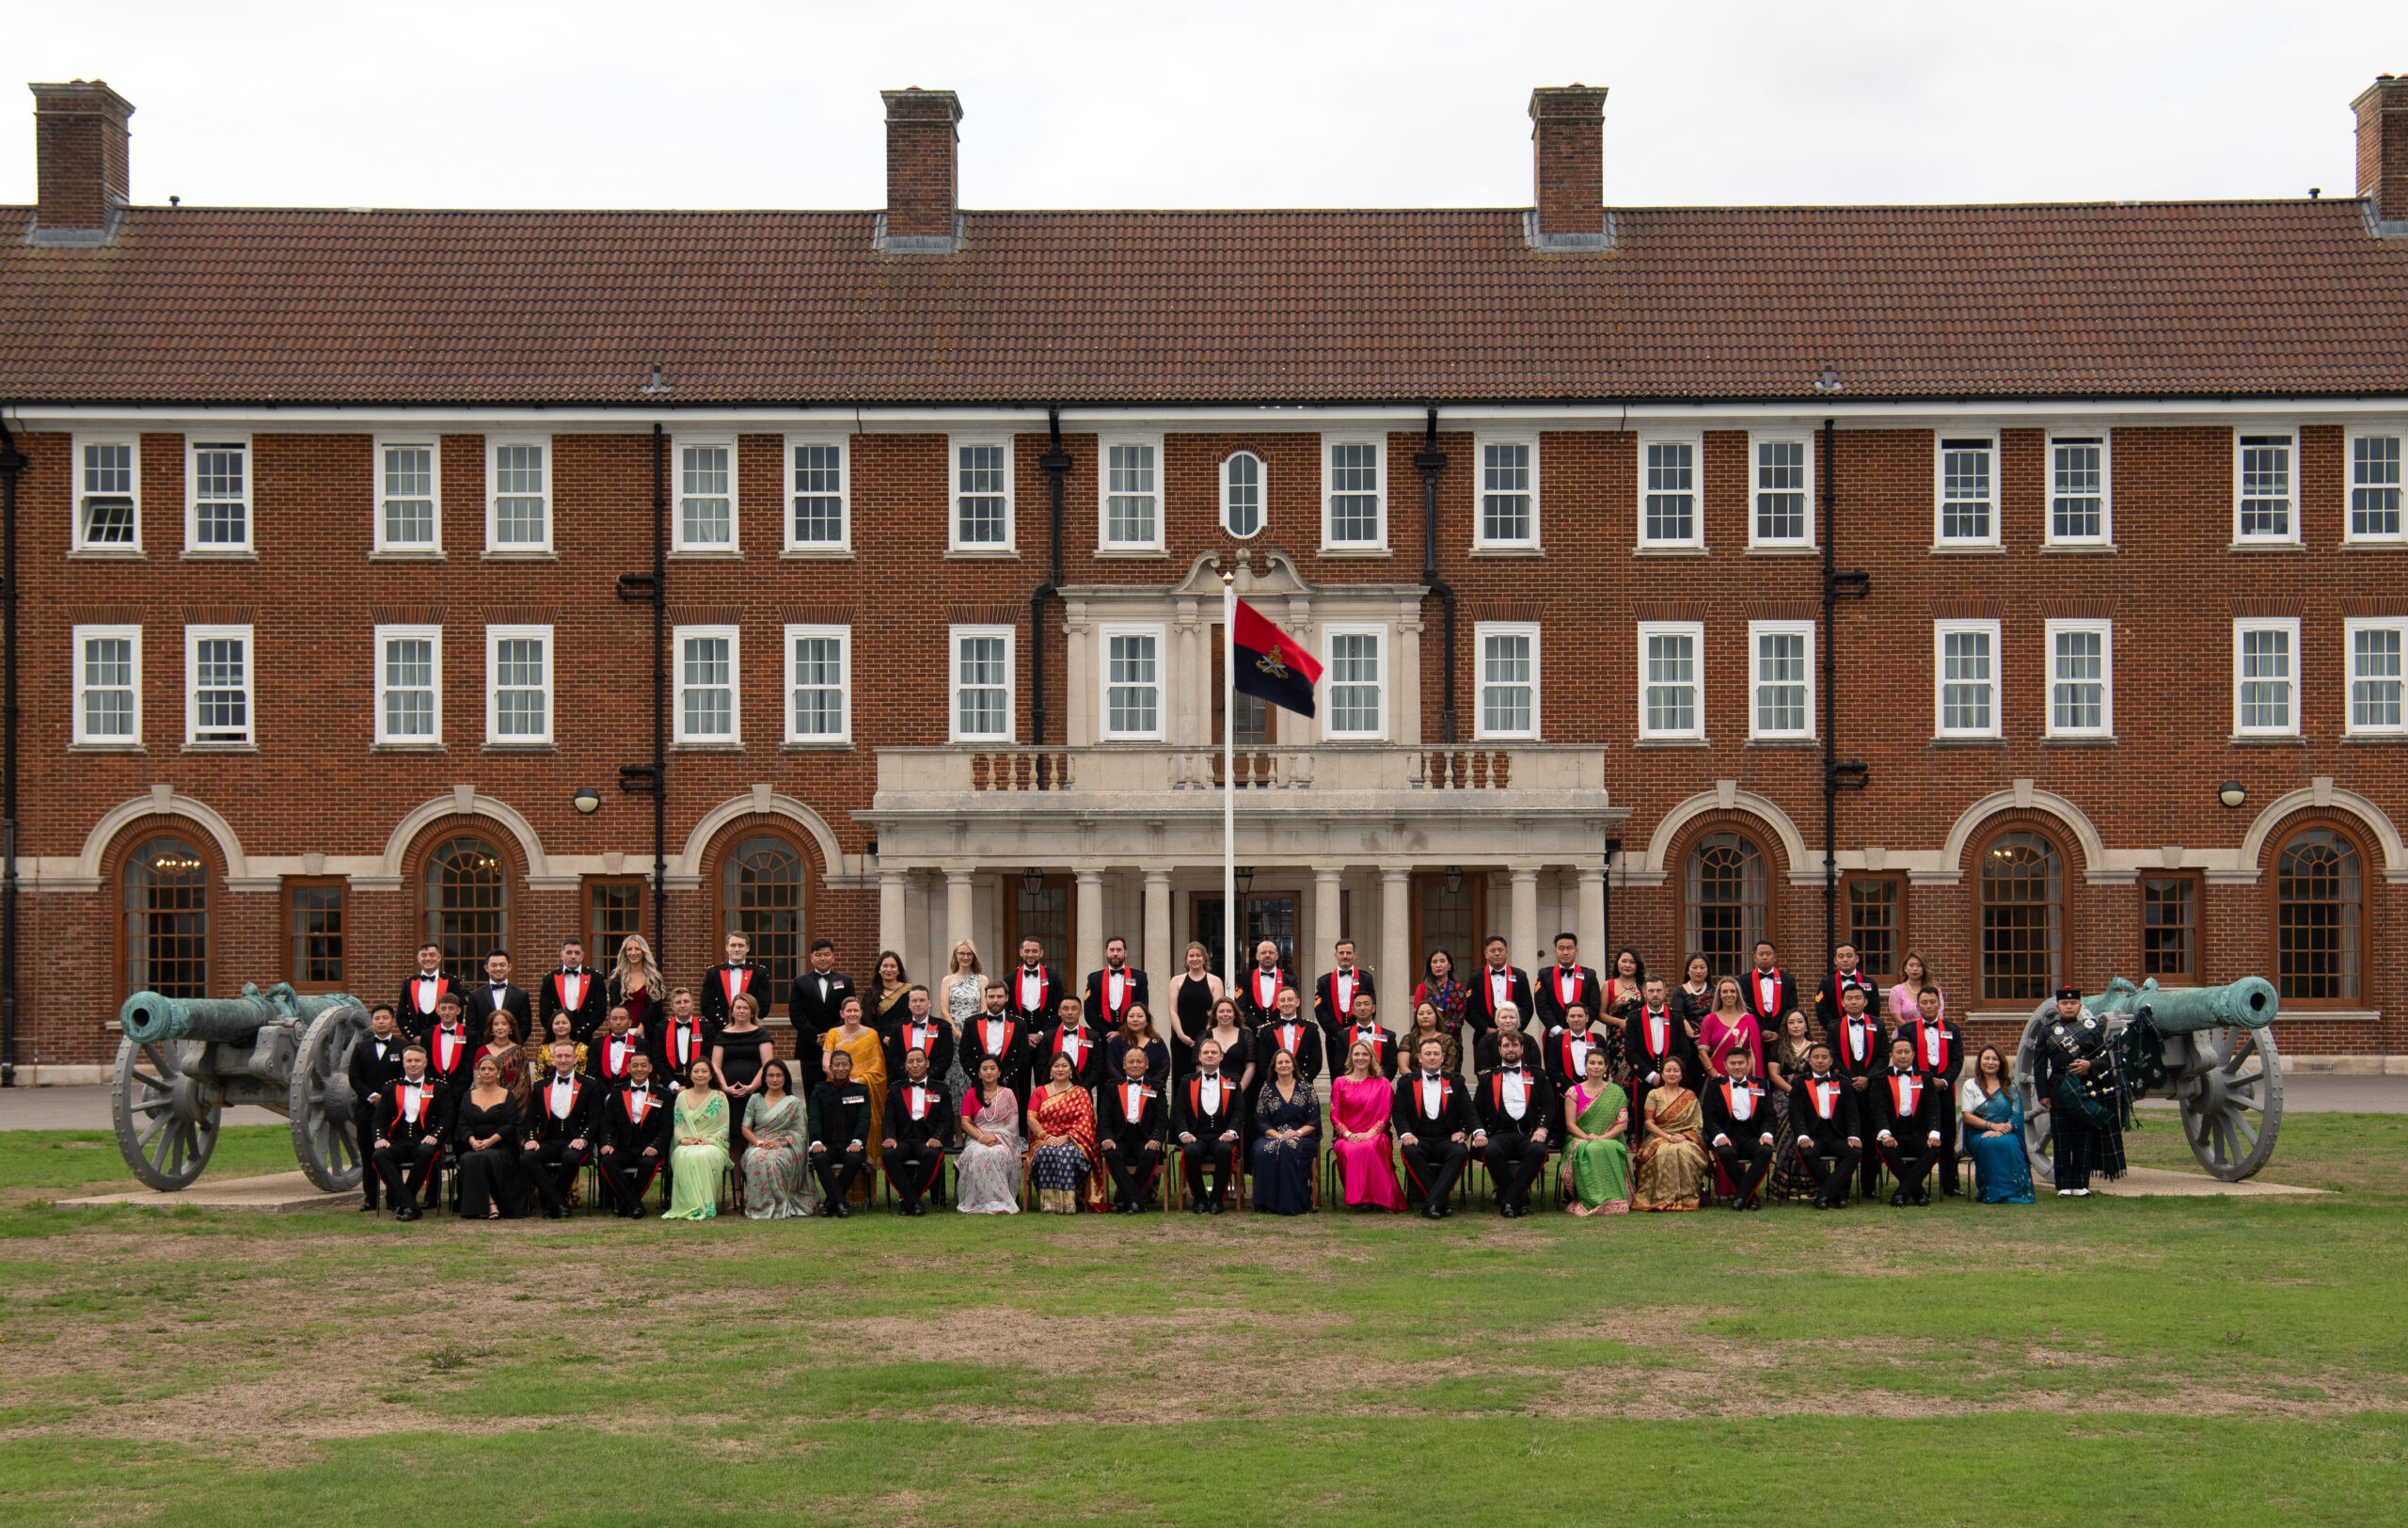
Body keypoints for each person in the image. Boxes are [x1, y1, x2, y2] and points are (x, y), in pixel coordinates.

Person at [2034, 985, 2127, 1198]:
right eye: (2065, 1003)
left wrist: (2089, 1065)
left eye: (2073, 1003)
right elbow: (2039, 1066)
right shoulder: (2047, 1031)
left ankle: (2081, 1184)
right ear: (2058, 1006)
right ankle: (2064, 1185)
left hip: (2085, 1088)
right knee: (2062, 1138)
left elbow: (2105, 1061)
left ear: (2080, 1006)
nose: (2069, 1006)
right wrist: (2043, 1094)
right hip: (2059, 1087)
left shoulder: (2091, 1028)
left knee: (2084, 1137)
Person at [1473, 1026, 1555, 1218]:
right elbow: (1475, 1110)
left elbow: (1549, 1105)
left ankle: (1509, 1200)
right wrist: (1479, 1132)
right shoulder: (1487, 1078)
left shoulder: (1538, 1075)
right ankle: (1519, 1199)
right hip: (1499, 1133)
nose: (1511, 1049)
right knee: (1490, 1151)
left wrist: (1542, 1129)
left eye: (1515, 1045)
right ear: (1499, 1050)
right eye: (1506, 1045)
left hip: (1529, 1134)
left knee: (1539, 1150)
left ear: (1522, 1049)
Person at [1393, 1036, 1473, 1218]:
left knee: (1460, 1151)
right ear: (1420, 1058)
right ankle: (1441, 1202)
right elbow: (1399, 1113)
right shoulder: (1406, 1083)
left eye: (1436, 1054)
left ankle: (1432, 1203)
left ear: (1442, 1057)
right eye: (1428, 1054)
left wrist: (1464, 1131)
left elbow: (1468, 1110)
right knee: (1410, 1151)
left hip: (1447, 1138)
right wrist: (1406, 1134)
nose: (1432, 1057)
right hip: (1419, 1138)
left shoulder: (1456, 1082)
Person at [1899, 984, 1967, 1195]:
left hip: (1944, 1090)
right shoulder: (1907, 1030)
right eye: (1924, 1002)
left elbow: (1957, 1060)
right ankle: (1914, 1183)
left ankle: (1950, 1184)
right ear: (1918, 1006)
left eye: (1932, 1002)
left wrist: (1944, 1081)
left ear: (1939, 1005)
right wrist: (1927, 1081)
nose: (1928, 1006)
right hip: (1917, 1090)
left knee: (1947, 1136)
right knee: (1918, 1134)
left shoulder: (1953, 1029)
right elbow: (1905, 1060)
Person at [369, 1043, 447, 1219]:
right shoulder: (391, 1088)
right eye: (409, 1060)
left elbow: (446, 1118)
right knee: (379, 1155)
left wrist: (435, 1136)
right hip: (400, 1142)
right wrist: (380, 1138)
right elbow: (379, 1119)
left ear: (425, 1063)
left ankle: (402, 1203)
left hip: (425, 1141)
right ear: (403, 1063)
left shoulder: (440, 1087)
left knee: (426, 1152)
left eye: (417, 1061)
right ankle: (410, 1205)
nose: (413, 1064)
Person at [520, 1040, 595, 1219]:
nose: (563, 1060)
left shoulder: (589, 1085)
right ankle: (559, 1203)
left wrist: (584, 1138)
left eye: (567, 1056)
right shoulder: (541, 1086)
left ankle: (551, 1203)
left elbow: (596, 1119)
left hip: (576, 1141)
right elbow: (530, 1118)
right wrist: (531, 1139)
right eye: (559, 1056)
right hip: (549, 1141)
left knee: (571, 1158)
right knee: (527, 1158)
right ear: (553, 1058)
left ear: (575, 1058)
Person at [1828, 980, 1890, 1201]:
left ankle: (1869, 1186)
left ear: (1865, 1002)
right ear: (1843, 1003)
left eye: (1857, 998)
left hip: (1871, 1090)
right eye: (1849, 998)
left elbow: (1883, 1056)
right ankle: (1842, 1186)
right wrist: (1850, 1079)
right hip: (1845, 1090)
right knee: (1844, 1137)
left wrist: (1868, 1078)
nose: (1853, 1002)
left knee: (1870, 1138)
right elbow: (1832, 1056)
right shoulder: (1834, 1027)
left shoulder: (1878, 1025)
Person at [348, 1004, 410, 1213]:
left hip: (394, 1111)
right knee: (368, 1156)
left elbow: (407, 1076)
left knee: (392, 1156)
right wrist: (371, 1096)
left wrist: (388, 1098)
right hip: (367, 1109)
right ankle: (370, 1198)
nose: (381, 1021)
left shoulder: (404, 1047)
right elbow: (354, 1078)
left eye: (385, 1018)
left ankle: (394, 1198)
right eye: (377, 1018)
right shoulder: (361, 1048)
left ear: (393, 1021)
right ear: (371, 1022)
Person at [1028, 1052, 1107, 1214]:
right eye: (1056, 1066)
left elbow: (1086, 1123)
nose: (1060, 1069)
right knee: (1044, 1152)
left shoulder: (1081, 1093)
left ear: (1071, 1069)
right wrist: (1047, 1137)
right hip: (1043, 1139)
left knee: (1066, 1153)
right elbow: (1031, 1119)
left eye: (1064, 1066)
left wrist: (1066, 1138)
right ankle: (1049, 1204)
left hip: (1073, 1141)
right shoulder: (1040, 1091)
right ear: (1050, 1070)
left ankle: (1068, 1203)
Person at [1330, 1039, 1403, 1212]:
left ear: (1371, 1058)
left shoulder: (1383, 1083)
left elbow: (1386, 1114)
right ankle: (1360, 1200)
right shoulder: (1339, 1083)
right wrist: (1348, 1135)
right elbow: (1334, 1115)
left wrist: (1369, 1134)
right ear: (1350, 1057)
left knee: (1370, 1146)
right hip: (1347, 1136)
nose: (1360, 1058)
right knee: (1350, 1149)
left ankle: (1380, 1199)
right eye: (1356, 1054)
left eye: (1365, 1054)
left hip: (1375, 1134)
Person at [1788, 1043, 1863, 1210]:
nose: (1820, 1061)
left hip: (1837, 1135)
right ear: (1810, 1061)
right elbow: (1796, 1114)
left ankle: (1824, 1195)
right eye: (1816, 1057)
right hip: (1813, 1136)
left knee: (1854, 1151)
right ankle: (1838, 1195)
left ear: (1831, 1061)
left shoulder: (1843, 1083)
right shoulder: (1800, 1083)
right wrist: (1803, 1136)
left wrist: (1853, 1136)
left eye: (1824, 1057)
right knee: (1806, 1152)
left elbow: (1852, 1112)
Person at [881, 1048, 955, 1217]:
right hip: (904, 1140)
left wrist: (937, 1138)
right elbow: (888, 1119)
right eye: (911, 1062)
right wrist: (890, 1137)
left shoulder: (941, 1089)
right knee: (888, 1155)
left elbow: (946, 1120)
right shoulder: (895, 1090)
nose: (915, 1065)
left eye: (919, 1061)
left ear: (927, 1063)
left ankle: (907, 1201)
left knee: (932, 1154)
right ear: (906, 1066)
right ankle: (914, 1202)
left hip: (927, 1139)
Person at [596, 1051, 671, 1217]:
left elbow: (666, 1127)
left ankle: (626, 1205)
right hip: (623, 1147)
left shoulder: (663, 1095)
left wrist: (656, 1146)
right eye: (635, 1065)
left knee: (649, 1164)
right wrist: (608, 1143)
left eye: (643, 1065)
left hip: (649, 1147)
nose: (639, 1069)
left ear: (650, 1068)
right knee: (607, 1160)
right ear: (628, 1068)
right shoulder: (617, 1093)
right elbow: (607, 1123)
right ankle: (634, 1204)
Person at [1874, 1035, 1946, 1206]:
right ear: (1891, 1055)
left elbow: (1933, 1108)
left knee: (1934, 1149)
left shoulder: (1925, 1077)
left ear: (1913, 1054)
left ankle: (1901, 1194)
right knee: (1887, 1149)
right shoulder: (1880, 1078)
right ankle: (1918, 1193)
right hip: (1893, 1133)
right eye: (1899, 1052)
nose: (1903, 1056)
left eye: (1907, 1052)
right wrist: (1885, 1134)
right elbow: (1877, 1109)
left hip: (1917, 1133)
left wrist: (1934, 1134)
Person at [1175, 1038, 1244, 1213]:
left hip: (1222, 1135)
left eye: (1214, 1052)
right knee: (1189, 1152)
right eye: (1206, 1052)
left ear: (1221, 1056)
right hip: (1196, 1135)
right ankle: (1199, 1198)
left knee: (1225, 1151)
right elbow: (1178, 1111)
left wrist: (1232, 1131)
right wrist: (1184, 1133)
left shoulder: (1233, 1080)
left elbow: (1239, 1110)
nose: (1210, 1055)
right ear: (1199, 1056)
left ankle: (1216, 1199)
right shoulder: (1187, 1081)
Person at [1631, 1054, 1708, 1212]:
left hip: (1686, 1137)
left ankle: (1686, 1198)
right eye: (1668, 1070)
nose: (1672, 1074)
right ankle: (1659, 1198)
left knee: (1685, 1151)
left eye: (1676, 1071)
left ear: (1682, 1074)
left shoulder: (1690, 1096)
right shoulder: (1654, 1094)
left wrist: (1683, 1136)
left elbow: (1696, 1124)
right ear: (1662, 1073)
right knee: (1663, 1151)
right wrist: (1667, 1136)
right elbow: (1649, 1122)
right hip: (1659, 1136)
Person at [452, 1055, 525, 1219]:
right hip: (473, 1146)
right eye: (483, 1069)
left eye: (491, 1069)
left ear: (498, 1073)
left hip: (500, 1146)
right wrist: (472, 1140)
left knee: (481, 1157)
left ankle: (488, 1203)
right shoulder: (468, 1096)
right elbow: (462, 1124)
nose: (486, 1072)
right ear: (478, 1072)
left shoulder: (507, 1095)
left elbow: (510, 1125)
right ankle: (490, 1203)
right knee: (469, 1158)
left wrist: (490, 1141)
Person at [714, 990, 776, 1182]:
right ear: (732, 1011)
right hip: (730, 1096)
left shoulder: (761, 1034)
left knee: (752, 1139)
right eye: (738, 1007)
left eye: (745, 1008)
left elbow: (767, 1064)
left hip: (754, 1095)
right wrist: (725, 1088)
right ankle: (736, 1191)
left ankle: (754, 1188)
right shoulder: (722, 1035)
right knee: (734, 1142)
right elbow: (715, 1065)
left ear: (752, 1011)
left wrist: (751, 1087)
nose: (741, 1011)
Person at [1560, 1049, 1630, 1217]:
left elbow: (1622, 1125)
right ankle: (1593, 1199)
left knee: (1610, 1147)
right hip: (1579, 1139)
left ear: (1606, 1067)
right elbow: (1570, 1125)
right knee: (1592, 1149)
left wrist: (1601, 1137)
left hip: (1608, 1138)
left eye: (1600, 1063)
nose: (1596, 1067)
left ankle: (1615, 1200)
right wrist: (1587, 1138)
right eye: (1592, 1063)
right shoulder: (1573, 1092)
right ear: (1585, 1066)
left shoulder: (1616, 1092)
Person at [1703, 1048, 1777, 1211]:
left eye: (1741, 1063)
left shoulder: (1760, 1084)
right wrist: (1718, 1135)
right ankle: (1751, 1197)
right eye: (1733, 1063)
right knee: (1725, 1153)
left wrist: (1767, 1133)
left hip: (1752, 1136)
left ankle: (1742, 1197)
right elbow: (1708, 1117)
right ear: (1725, 1065)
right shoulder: (1715, 1086)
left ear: (1748, 1064)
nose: (1737, 1067)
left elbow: (1770, 1115)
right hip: (1727, 1136)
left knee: (1765, 1151)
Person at [1960, 1044, 2035, 1204]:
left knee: (2008, 1142)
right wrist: (1992, 1126)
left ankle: (2014, 1192)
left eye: (1995, 1059)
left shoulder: (2009, 1087)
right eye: (1986, 1058)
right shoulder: (1970, 1085)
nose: (1990, 1062)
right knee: (1990, 1143)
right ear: (1980, 1061)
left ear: (2000, 1063)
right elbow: (1967, 1116)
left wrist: (2003, 1130)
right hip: (1978, 1133)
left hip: (2006, 1132)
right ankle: (1993, 1192)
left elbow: (2016, 1114)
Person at [1250, 1046, 1321, 1216]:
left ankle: (1293, 1203)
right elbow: (1261, 1120)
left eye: (1287, 1062)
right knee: (1262, 1150)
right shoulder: (1267, 1090)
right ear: (1274, 1067)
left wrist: (1298, 1133)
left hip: (1302, 1137)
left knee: (1287, 1146)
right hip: (1272, 1136)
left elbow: (1314, 1119)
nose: (1283, 1065)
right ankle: (1267, 1203)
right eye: (1280, 1062)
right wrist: (1279, 1136)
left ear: (1293, 1065)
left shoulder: (1306, 1088)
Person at [1097, 1043, 1166, 1213]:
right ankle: (1136, 1201)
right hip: (1120, 1138)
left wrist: (1156, 1139)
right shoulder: (1112, 1087)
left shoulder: (1156, 1087)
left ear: (1147, 1065)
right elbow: (1104, 1118)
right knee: (1111, 1154)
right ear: (1124, 1065)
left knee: (1150, 1155)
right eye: (1131, 1062)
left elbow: (1162, 1119)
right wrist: (1107, 1139)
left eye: (1139, 1061)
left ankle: (1123, 1200)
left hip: (1144, 1138)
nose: (1135, 1065)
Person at [741, 1059, 813, 1219]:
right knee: (758, 1158)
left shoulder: (793, 1103)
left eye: (779, 1075)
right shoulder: (755, 1099)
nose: (775, 1079)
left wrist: (781, 1143)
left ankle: (780, 1204)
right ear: (764, 1078)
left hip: (785, 1146)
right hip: (758, 1144)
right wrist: (759, 1143)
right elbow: (745, 1128)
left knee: (774, 1159)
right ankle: (759, 1206)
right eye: (771, 1075)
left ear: (785, 1078)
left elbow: (800, 1132)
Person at [805, 1048, 872, 1217]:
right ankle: (840, 1204)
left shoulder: (861, 1091)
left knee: (855, 1158)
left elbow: (864, 1119)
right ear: (830, 1068)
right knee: (819, 1158)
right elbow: (814, 1118)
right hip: (826, 1145)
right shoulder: (819, 1090)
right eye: (837, 1065)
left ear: (851, 1067)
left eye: (844, 1065)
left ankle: (830, 1204)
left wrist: (857, 1141)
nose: (841, 1068)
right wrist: (816, 1142)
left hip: (850, 1144)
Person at [955, 1056, 1023, 1215]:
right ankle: (980, 1201)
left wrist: (995, 1137)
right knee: (979, 1153)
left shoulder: (1008, 1094)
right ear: (979, 1073)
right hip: (976, 1138)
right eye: (984, 1069)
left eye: (992, 1068)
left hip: (1002, 1139)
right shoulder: (971, 1094)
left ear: (999, 1072)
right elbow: (965, 1122)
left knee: (999, 1152)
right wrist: (981, 1138)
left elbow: (1013, 1123)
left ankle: (998, 1201)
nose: (989, 1072)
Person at [664, 1058, 732, 1219]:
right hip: (687, 1143)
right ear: (690, 1075)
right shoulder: (682, 1097)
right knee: (682, 1155)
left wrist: (710, 1141)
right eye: (696, 1071)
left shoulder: (720, 1097)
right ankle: (689, 1205)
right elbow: (678, 1124)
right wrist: (684, 1141)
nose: (700, 1075)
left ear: (711, 1075)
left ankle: (706, 1205)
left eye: (704, 1071)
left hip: (713, 1144)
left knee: (703, 1154)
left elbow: (724, 1127)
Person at [788, 939, 855, 1091]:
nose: (823, 958)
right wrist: (816, 1036)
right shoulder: (800, 982)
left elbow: (850, 1011)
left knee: (840, 1091)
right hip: (809, 1046)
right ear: (811, 958)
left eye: (826, 954)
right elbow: (796, 1014)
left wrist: (831, 1034)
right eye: (818, 955)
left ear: (833, 957)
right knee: (812, 1092)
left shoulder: (845, 981)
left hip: (839, 1044)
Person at [1765, 1009, 1817, 1201]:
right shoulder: (1778, 1048)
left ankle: (1809, 1186)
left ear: (1806, 1025)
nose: (1796, 1026)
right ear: (1786, 1027)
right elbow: (1774, 1075)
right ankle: (1782, 1187)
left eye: (1799, 1022)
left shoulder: (1816, 1048)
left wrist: (1805, 1095)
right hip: (1784, 1097)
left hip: (1811, 1097)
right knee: (1788, 1137)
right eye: (1791, 1022)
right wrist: (1793, 1092)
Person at [958, 979, 1031, 1112]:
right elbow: (964, 1055)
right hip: (980, 1083)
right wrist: (980, 1075)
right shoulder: (971, 1023)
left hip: (1009, 1082)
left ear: (1007, 998)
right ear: (985, 998)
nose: (995, 1000)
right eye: (991, 997)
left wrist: (1005, 1077)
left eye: (999, 996)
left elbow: (1023, 1057)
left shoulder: (1019, 1024)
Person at [883, 984, 959, 1090]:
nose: (918, 1004)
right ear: (909, 1005)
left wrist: (927, 1077)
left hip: (933, 1085)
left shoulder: (943, 1027)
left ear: (929, 1003)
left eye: (922, 1000)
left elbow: (945, 1057)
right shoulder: (897, 1028)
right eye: (914, 1001)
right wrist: (908, 1077)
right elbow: (893, 1057)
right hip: (904, 1085)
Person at [1165, 941, 1222, 1078]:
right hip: (1181, 1039)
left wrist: (1205, 1036)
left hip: (1207, 1038)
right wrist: (1181, 1035)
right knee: (1181, 1078)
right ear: (1186, 959)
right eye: (1191, 956)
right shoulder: (1176, 981)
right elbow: (1173, 1011)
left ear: (1204, 959)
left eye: (1198, 955)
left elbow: (1217, 1012)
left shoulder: (1215, 981)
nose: (1195, 959)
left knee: (1204, 1078)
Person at [539, 937, 608, 1044]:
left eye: (577, 953)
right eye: (569, 952)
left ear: (582, 956)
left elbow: (599, 1012)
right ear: (561, 955)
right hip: (557, 1039)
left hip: (585, 1039)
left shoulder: (595, 978)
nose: (573, 956)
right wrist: (560, 1033)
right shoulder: (550, 979)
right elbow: (544, 1012)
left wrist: (579, 1033)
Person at [1699, 976, 1765, 1088]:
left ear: (1737, 994)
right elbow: (1702, 1053)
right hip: (1717, 1079)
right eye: (1725, 991)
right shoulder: (1710, 1019)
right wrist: (1716, 1076)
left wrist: (1741, 1077)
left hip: (1744, 1080)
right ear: (1719, 995)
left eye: (1732, 991)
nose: (1729, 994)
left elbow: (1753, 1054)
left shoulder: (1749, 1020)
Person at [701, 931, 773, 1034]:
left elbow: (764, 1005)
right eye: (733, 945)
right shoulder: (713, 973)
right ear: (727, 947)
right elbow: (706, 1004)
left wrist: (746, 1023)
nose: (737, 949)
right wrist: (725, 1024)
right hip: (721, 1030)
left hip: (749, 1031)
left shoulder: (759, 973)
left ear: (747, 948)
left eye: (741, 945)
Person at [1466, 935, 1532, 1043]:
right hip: (1484, 1037)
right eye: (1492, 951)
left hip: (1514, 1036)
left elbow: (1527, 1007)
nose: (1497, 953)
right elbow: (1470, 1009)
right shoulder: (1475, 977)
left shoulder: (1520, 975)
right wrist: (1486, 1029)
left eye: (1500, 950)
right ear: (1486, 954)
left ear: (1506, 952)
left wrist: (1514, 1029)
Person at [1532, 933, 1605, 1033]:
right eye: (1561, 948)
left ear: (1576, 951)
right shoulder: (1544, 975)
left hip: (1581, 1034)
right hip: (1553, 1035)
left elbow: (1594, 1006)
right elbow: (1541, 1006)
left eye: (1569, 948)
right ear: (1555, 951)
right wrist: (1557, 1030)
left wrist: (1578, 1028)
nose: (1565, 952)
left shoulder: (1589, 975)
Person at [1537, 1000, 1612, 1094]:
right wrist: (1571, 1091)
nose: (1576, 1019)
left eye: (1580, 1016)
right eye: (1572, 1016)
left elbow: (1605, 1065)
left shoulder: (1598, 1040)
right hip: (1566, 1092)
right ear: (1567, 1019)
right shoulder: (1557, 1042)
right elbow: (1553, 1070)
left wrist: (1595, 1088)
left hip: (1595, 1092)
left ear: (1587, 1018)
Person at [1813, 940, 1880, 1042]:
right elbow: (1822, 1011)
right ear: (1835, 960)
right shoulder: (1826, 983)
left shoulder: (1869, 983)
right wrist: (1835, 1029)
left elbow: (1874, 1010)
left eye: (1849, 956)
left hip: (1864, 1034)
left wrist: (1864, 1028)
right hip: (1836, 1035)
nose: (1845, 959)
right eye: (1841, 956)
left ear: (1857, 959)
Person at [1035, 993, 1104, 1091]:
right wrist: (1055, 1087)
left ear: (1081, 1011)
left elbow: (1097, 1068)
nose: (1070, 1012)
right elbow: (1042, 1066)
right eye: (1066, 1009)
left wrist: (1082, 1089)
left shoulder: (1092, 1036)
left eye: (1074, 1009)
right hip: (1054, 1092)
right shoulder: (1048, 1036)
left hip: (1083, 1092)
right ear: (1059, 1012)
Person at [1257, 984, 1323, 1084]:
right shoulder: (1267, 1031)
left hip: (1304, 1084)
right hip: (1276, 1085)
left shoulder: (1311, 1029)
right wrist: (1278, 1083)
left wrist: (1302, 1082)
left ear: (1297, 1002)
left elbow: (1316, 1062)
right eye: (1282, 1000)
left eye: (1290, 999)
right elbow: (1263, 1064)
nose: (1286, 1003)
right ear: (1277, 1004)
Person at [400, 942, 466, 1042]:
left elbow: (459, 1012)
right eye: (424, 955)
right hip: (416, 1042)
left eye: (432, 955)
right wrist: (413, 1037)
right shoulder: (408, 983)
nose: (428, 958)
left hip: (445, 1039)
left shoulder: (452, 982)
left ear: (439, 958)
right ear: (418, 958)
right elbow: (401, 1014)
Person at [469, 949, 531, 1053]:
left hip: (512, 1052)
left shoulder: (521, 995)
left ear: (509, 967)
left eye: (502, 965)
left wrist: (512, 1046)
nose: (498, 968)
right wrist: (486, 1048)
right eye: (494, 965)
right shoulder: (475, 996)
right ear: (486, 968)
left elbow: (525, 1026)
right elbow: (472, 1027)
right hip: (485, 1052)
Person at [1084, 935, 1149, 1033]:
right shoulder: (1094, 979)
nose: (1115, 953)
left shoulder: (1140, 977)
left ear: (1125, 953)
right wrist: (1106, 1033)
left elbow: (1143, 1007)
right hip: (1103, 1036)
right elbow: (1089, 1011)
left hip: (1131, 1034)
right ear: (1106, 953)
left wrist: (1123, 1033)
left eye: (1119, 950)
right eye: (1112, 950)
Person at [605, 932, 662, 1044]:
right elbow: (615, 1007)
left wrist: (641, 1028)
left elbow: (655, 1008)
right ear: (625, 953)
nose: (633, 953)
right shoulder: (617, 979)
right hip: (621, 1030)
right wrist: (623, 1029)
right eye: (629, 949)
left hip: (647, 1030)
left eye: (637, 949)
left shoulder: (654, 978)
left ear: (643, 952)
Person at [655, 986, 713, 1094]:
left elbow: (708, 1059)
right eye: (678, 1002)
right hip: (670, 1089)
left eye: (686, 1001)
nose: (682, 1005)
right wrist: (675, 1086)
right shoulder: (661, 1028)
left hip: (700, 1087)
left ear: (693, 1005)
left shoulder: (706, 1028)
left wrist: (694, 1084)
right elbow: (658, 1062)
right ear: (672, 1006)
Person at [1311, 939, 1376, 1033]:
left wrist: (1355, 1028)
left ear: (1355, 955)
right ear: (1336, 955)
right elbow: (1320, 1010)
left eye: (1348, 953)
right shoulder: (1324, 981)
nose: (1345, 956)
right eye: (1341, 953)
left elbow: (1371, 1006)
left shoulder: (1366, 979)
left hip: (1359, 1032)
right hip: (1333, 1035)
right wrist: (1337, 1032)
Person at [1198, 995, 1257, 1097]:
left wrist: (1239, 1090)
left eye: (1229, 1011)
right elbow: (1199, 1066)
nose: (1225, 1014)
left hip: (1240, 1092)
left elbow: (1251, 1067)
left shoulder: (1246, 1036)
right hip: (1210, 1091)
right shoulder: (1204, 1036)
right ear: (1215, 1015)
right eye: (1221, 1011)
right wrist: (1212, 1088)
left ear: (1235, 1015)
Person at [1743, 940, 1797, 1050]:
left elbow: (1792, 1010)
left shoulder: (1788, 980)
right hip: (1753, 1036)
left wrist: (1779, 1033)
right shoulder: (1743, 981)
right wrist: (1760, 1031)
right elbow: (1743, 1010)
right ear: (1754, 957)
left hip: (1781, 1038)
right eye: (1761, 954)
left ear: (1775, 957)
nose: (1764, 957)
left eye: (1768, 954)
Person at [1330, 994, 1398, 1080]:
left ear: (1373, 1008)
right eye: (1358, 1004)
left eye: (1366, 1004)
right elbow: (1339, 1066)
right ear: (1353, 1010)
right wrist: (1354, 1082)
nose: (1362, 1008)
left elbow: (1392, 1067)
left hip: (1379, 1085)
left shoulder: (1389, 1036)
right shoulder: (1342, 1036)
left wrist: (1378, 1083)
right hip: (1351, 1085)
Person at [421, 990, 476, 1092]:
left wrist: (456, 1092)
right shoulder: (427, 1035)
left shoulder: (470, 1035)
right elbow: (425, 1066)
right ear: (438, 1011)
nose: (447, 1012)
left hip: (459, 1092)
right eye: (443, 1008)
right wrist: (435, 1088)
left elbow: (468, 1068)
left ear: (458, 1011)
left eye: (451, 1008)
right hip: (434, 1091)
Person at [1234, 939, 1295, 1028]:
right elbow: (1240, 1008)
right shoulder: (1244, 978)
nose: (1267, 955)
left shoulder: (1290, 979)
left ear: (1277, 956)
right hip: (1252, 1031)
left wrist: (1275, 1027)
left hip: (1280, 1029)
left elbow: (1292, 1006)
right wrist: (1259, 1026)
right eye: (1263, 953)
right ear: (1257, 956)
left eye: (1271, 952)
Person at [1006, 937, 1065, 1030]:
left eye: (1034, 951)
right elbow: (1006, 1008)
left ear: (1041, 953)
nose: (1030, 955)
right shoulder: (1010, 978)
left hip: (1046, 1032)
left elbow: (1060, 1008)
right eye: (1027, 951)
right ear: (1021, 952)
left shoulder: (1053, 976)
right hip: (1018, 1031)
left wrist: (1042, 1033)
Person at [1105, 1004, 1171, 1086]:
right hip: (1121, 1089)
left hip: (1151, 1090)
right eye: (1131, 1016)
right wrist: (1126, 1085)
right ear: (1126, 1020)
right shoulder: (1117, 1041)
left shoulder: (1157, 1042)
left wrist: (1149, 1086)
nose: (1135, 1019)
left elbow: (1164, 1067)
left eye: (1140, 1016)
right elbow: (1111, 1066)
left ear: (1147, 1020)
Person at [1411, 947, 1469, 1038]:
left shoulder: (1459, 990)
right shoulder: (1422, 988)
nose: (1438, 965)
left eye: (1442, 961)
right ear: (1430, 966)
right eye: (1434, 962)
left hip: (1451, 1039)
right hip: (1426, 1039)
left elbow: (1460, 1020)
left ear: (1449, 965)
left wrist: (1440, 1030)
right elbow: (1418, 1017)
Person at [1402, 1000, 1461, 1081]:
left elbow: (1450, 1068)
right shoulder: (1408, 1039)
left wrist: (1434, 1081)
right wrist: (1419, 1082)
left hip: (1442, 1082)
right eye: (1421, 1014)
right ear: (1416, 1018)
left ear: (1436, 1016)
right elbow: (1403, 1067)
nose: (1425, 1016)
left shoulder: (1448, 1040)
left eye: (1429, 1013)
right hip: (1413, 1083)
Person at [590, 1005, 642, 1089]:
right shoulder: (597, 1044)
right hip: (602, 1091)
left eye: (622, 1018)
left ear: (630, 1022)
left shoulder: (640, 1044)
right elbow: (592, 1072)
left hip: (629, 1091)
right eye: (614, 1018)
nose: (618, 1022)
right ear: (609, 1022)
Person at [1671, 953, 1716, 1043]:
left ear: (1707, 970)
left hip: (1712, 1038)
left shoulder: (1716, 991)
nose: (1698, 971)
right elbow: (1678, 1016)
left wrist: (1707, 1038)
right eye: (1694, 967)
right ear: (1688, 970)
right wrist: (1694, 1036)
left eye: (1702, 967)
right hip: (1687, 1039)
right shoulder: (1679, 992)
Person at [1888, 950, 1938, 1031]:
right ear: (1905, 968)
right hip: (1905, 1034)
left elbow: (1939, 1015)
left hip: (1930, 1033)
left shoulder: (1935, 990)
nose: (1915, 969)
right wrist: (1914, 1033)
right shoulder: (1897, 991)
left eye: (1919, 966)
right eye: (1911, 965)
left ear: (1924, 968)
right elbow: (1897, 1019)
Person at [867, 950, 913, 1032]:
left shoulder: (909, 991)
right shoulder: (871, 993)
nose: (888, 969)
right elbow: (867, 1020)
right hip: (878, 1038)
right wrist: (883, 1036)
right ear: (879, 970)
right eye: (885, 966)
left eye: (893, 966)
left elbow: (913, 1017)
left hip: (903, 1036)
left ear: (898, 970)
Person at [538, 1009, 588, 1077]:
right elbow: (539, 1074)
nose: (560, 1026)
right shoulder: (543, 1049)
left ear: (571, 1025)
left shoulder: (582, 1048)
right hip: (549, 1084)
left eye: (564, 1023)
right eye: (557, 1023)